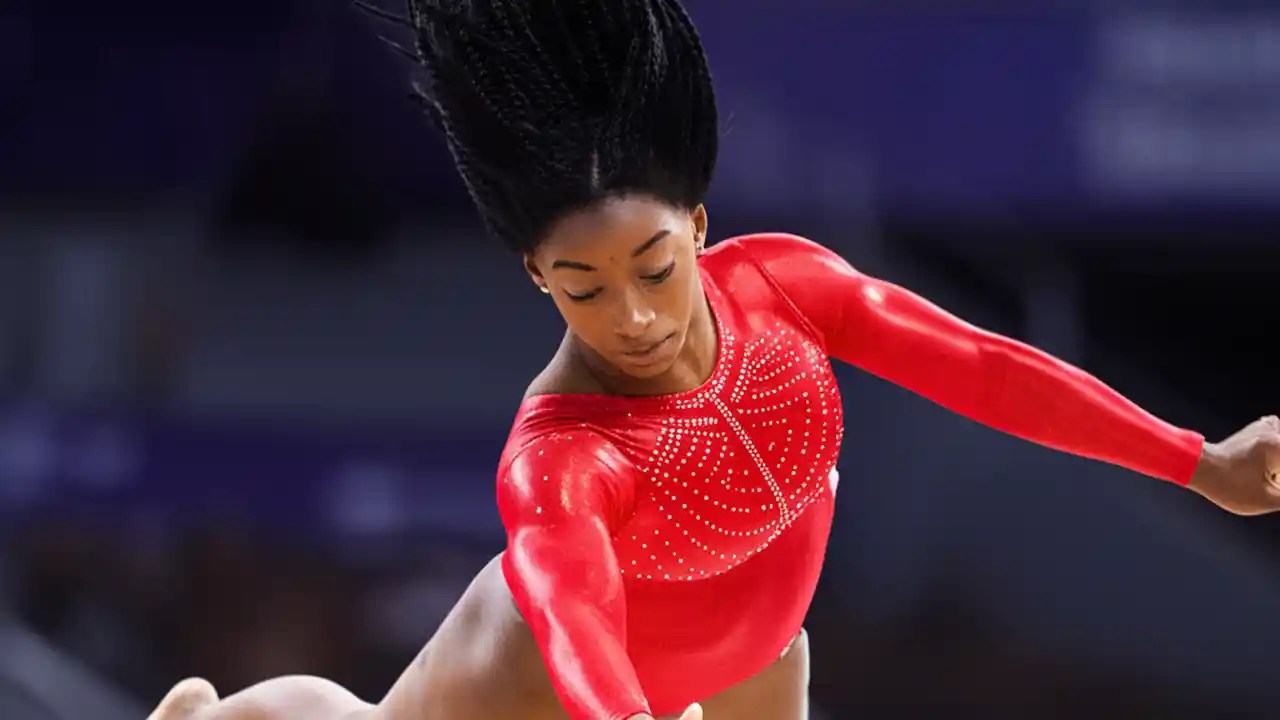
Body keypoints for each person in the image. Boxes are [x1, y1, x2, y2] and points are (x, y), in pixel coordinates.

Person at [148, 1, 1280, 718]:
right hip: (543, 687)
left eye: (650, 263)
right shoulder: (560, 457)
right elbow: (580, 626)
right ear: (538, 281)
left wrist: (1196, 460)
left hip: (751, 661)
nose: (631, 316)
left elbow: (980, 367)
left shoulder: (785, 285)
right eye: (582, 288)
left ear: (695, 221)